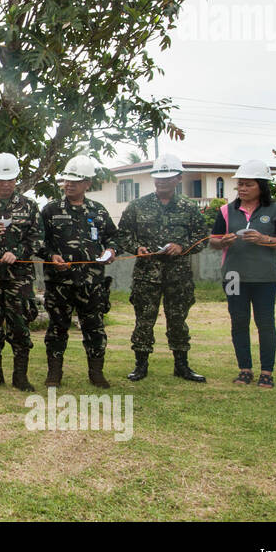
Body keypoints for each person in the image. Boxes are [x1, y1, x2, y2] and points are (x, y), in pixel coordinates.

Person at [116, 153, 209, 383]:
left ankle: (182, 366)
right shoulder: (137, 206)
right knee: (144, 321)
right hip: (147, 275)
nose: (162, 182)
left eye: (167, 178)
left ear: (178, 179)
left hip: (178, 276)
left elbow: (202, 237)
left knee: (178, 320)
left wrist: (183, 247)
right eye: (158, 178)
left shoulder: (189, 208)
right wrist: (137, 247)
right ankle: (140, 366)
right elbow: (123, 235)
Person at [208, 160, 276, 388]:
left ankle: (267, 372)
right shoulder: (226, 210)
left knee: (265, 323)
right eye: (240, 184)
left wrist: (264, 239)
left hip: (264, 277)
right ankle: (244, 369)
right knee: (239, 321)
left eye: (248, 184)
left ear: (261, 186)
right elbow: (213, 241)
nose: (242, 189)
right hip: (233, 276)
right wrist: (221, 241)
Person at [40, 155, 119, 389]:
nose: (69, 184)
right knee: (57, 328)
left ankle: (97, 374)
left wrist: (111, 250)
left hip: (92, 283)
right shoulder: (51, 210)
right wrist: (50, 256)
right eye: (66, 179)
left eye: (75, 180)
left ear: (87, 183)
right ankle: (54, 374)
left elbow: (113, 237)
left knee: (94, 327)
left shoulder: (99, 211)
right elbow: (38, 241)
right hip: (59, 283)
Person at [0, 152, 44, 391]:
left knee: (20, 325)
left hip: (19, 278)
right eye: (0, 180)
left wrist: (19, 253)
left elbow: (38, 239)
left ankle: (20, 376)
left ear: (16, 180)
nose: (5, 184)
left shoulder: (29, 206)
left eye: (10, 180)